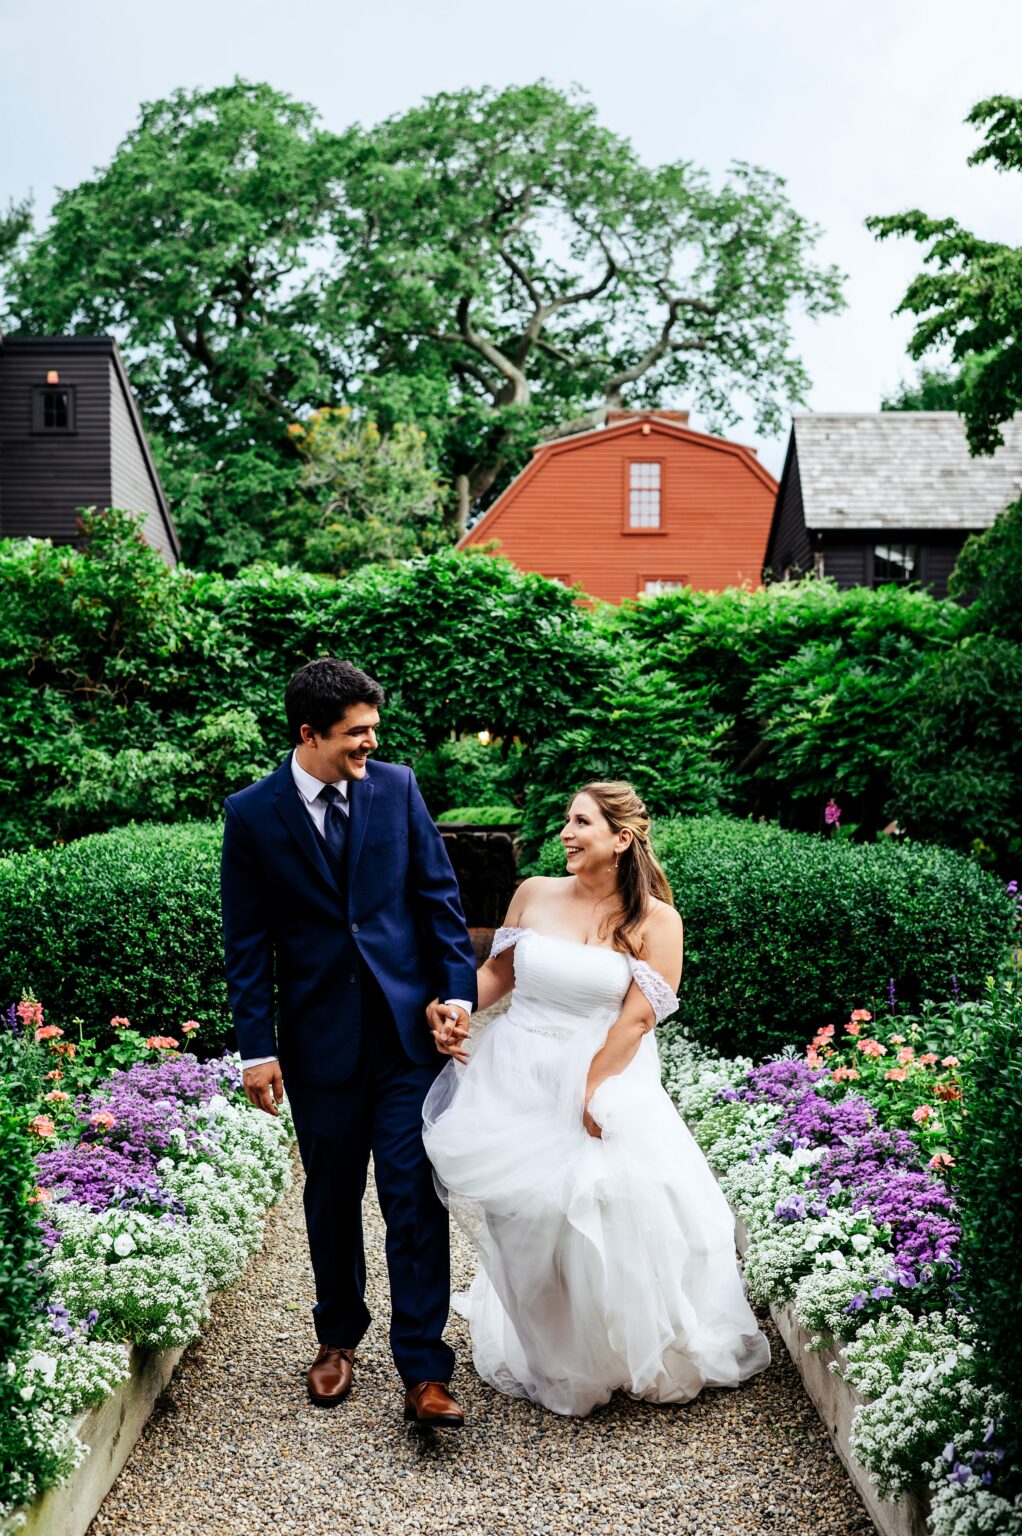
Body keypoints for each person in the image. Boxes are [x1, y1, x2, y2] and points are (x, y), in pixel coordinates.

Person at [422, 781, 771, 1418]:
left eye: (581, 822)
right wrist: (456, 1007)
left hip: (602, 1070)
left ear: (621, 838)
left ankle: (613, 1349)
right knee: (522, 1212)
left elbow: (636, 1021)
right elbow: (499, 973)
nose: (566, 833)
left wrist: (591, 1088)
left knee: (595, 1211)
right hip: (516, 1070)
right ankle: (554, 1356)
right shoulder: (533, 894)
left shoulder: (656, 922)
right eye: (566, 819)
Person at [221, 657, 477, 1427]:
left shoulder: (396, 788)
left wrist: (455, 995)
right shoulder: (252, 813)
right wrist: (254, 1049)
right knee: (331, 1197)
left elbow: (439, 902)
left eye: (373, 730)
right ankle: (336, 1338)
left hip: (405, 1041)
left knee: (411, 1198)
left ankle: (425, 1370)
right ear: (309, 734)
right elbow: (247, 942)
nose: (372, 744)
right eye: (355, 734)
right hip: (318, 1043)